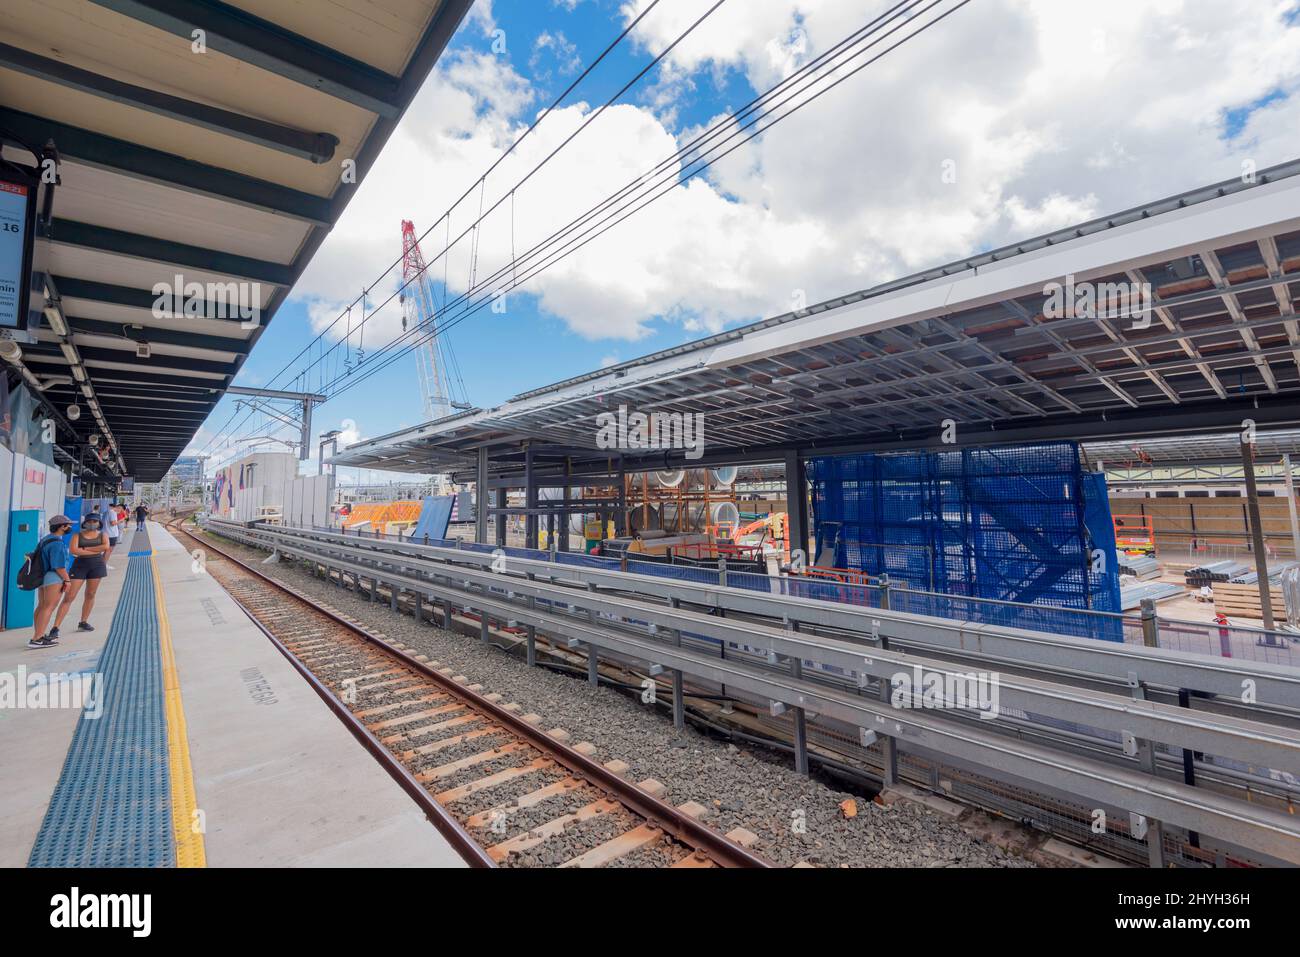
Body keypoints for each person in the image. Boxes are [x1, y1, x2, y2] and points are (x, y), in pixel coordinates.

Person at [52, 514, 110, 637]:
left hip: (97, 566)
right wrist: (95, 550)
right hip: (80, 566)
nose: (93, 523)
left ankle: (83, 621)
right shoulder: (77, 535)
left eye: (95, 521)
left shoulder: (103, 535)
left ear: (99, 523)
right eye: (90, 521)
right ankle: (55, 627)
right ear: (85, 523)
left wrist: (85, 549)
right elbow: (74, 550)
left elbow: (105, 547)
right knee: (69, 596)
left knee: (90, 594)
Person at [29, 515, 73, 649]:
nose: (70, 527)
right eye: (68, 525)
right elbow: (58, 566)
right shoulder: (57, 544)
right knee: (49, 607)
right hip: (54, 578)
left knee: (42, 606)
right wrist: (67, 579)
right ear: (62, 527)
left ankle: (38, 635)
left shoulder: (45, 540)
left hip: (43, 577)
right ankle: (37, 638)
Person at [104, 500, 120, 567]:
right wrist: (120, 521)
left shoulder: (106, 512)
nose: (119, 511)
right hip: (112, 534)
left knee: (106, 550)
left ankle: (103, 564)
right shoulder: (113, 513)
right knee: (109, 550)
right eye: (120, 509)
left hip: (106, 533)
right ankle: (104, 565)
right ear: (116, 507)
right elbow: (113, 523)